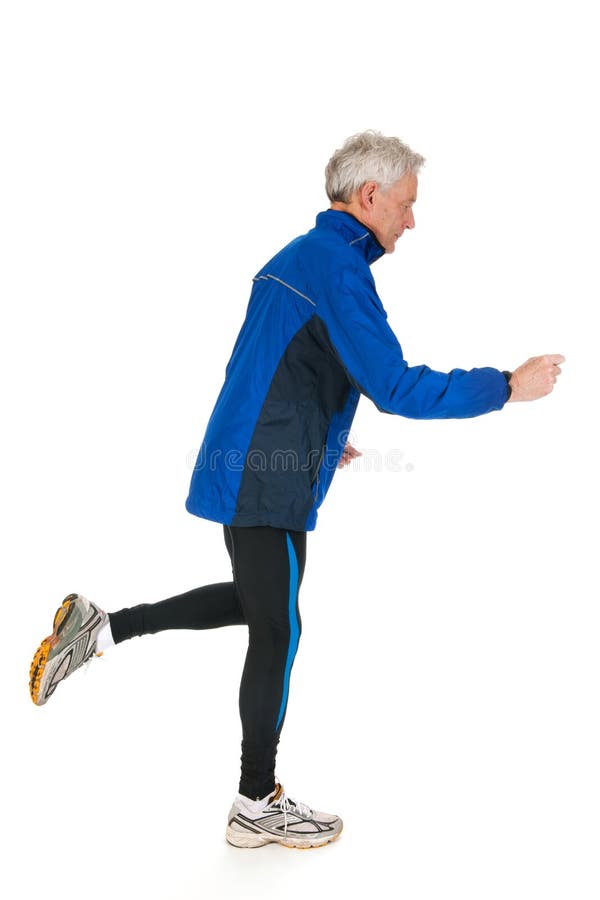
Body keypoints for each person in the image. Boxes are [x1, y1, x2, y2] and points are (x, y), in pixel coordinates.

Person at [28, 130, 564, 849]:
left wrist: (310, 434)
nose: (412, 220)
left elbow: (271, 362)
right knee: (278, 629)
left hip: (259, 457)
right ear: (369, 196)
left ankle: (103, 627)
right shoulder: (337, 268)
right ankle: (255, 803)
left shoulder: (301, 258)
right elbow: (397, 386)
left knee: (262, 607)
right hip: (260, 469)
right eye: (406, 204)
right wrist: (505, 386)